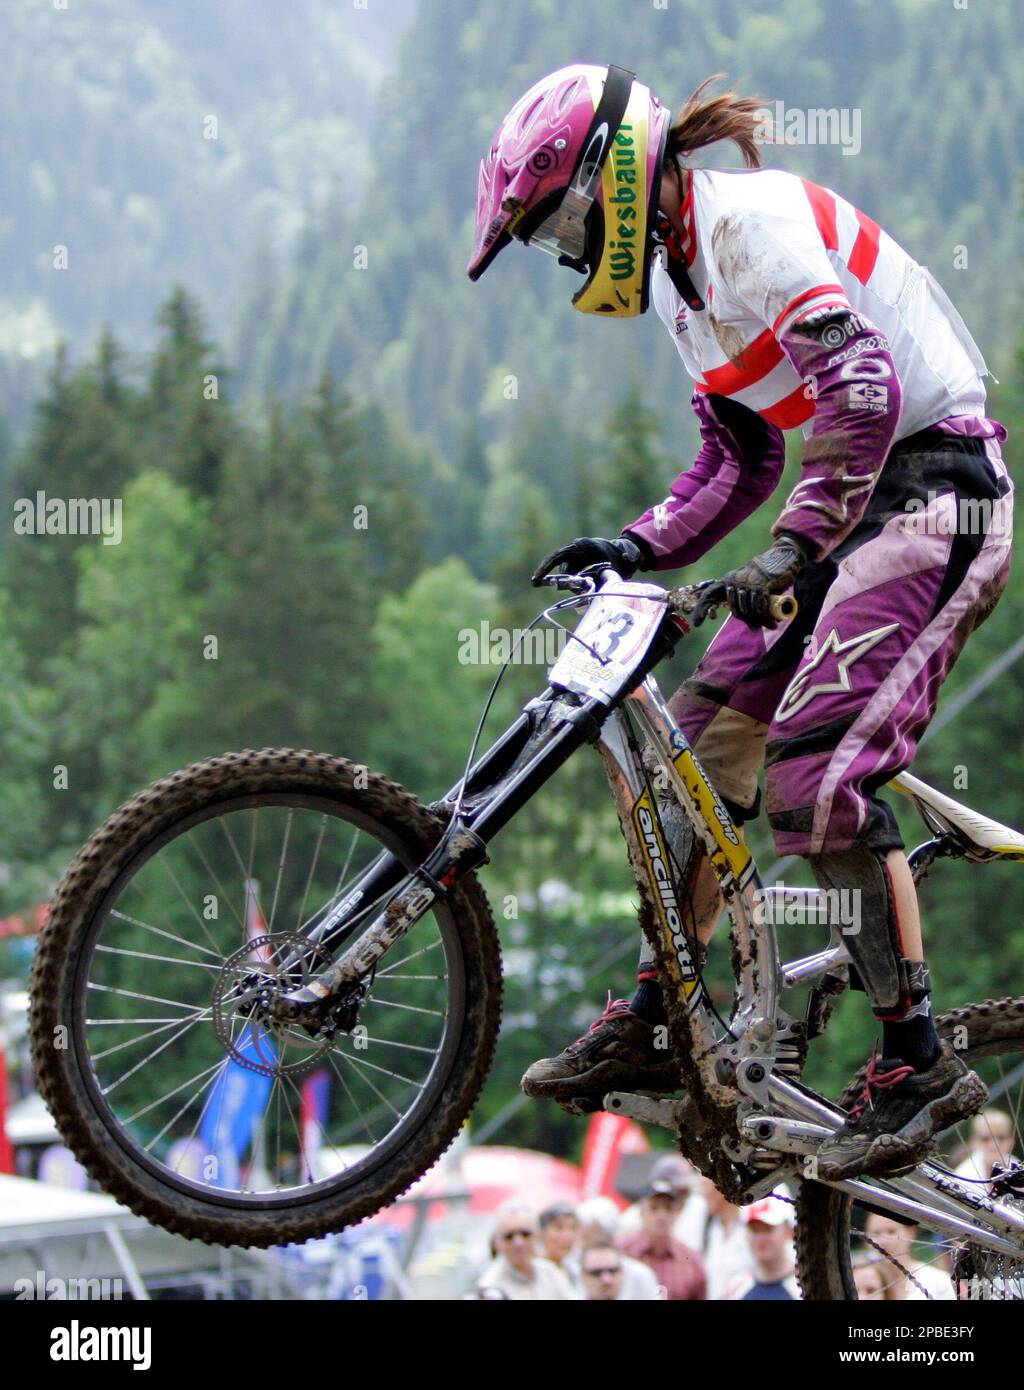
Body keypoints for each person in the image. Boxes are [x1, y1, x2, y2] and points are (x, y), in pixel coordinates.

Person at [467, 63, 1012, 1180]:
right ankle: (663, 1018)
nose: (568, 246)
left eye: (565, 216)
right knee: (698, 757)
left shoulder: (749, 229)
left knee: (813, 772)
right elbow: (738, 454)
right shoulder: (678, 283)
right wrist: (636, 544)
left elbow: (859, 393)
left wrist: (790, 549)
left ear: (618, 175)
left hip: (934, 490)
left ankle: (915, 1062)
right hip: (847, 508)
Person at [619, 1179, 706, 1299]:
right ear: (641, 1213)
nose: (661, 1215)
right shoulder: (622, 1252)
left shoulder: (691, 1260)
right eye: (654, 1208)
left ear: (677, 1213)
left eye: (668, 1208)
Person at [476, 1202, 578, 1300]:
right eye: (509, 1236)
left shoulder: (549, 1272)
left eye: (525, 1234)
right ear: (497, 1243)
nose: (518, 1243)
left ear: (538, 1236)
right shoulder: (490, 1287)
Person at [571, 1196, 662, 1299]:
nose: (606, 1279)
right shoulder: (570, 1271)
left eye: (613, 1271)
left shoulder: (641, 1275)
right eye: (596, 1273)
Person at [722, 1193, 800, 1300]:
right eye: (754, 1230)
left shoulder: (803, 1288)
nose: (761, 1239)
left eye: (768, 1229)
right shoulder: (735, 1289)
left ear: (789, 1231)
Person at [862, 1211, 954, 1300]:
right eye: (876, 1233)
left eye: (891, 1232)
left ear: (910, 1233)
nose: (884, 1241)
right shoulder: (860, 1283)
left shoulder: (938, 1280)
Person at [953, 1108, 1016, 1182]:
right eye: (985, 1139)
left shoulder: (1016, 1166)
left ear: (1011, 1141)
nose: (994, 1146)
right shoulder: (962, 1176)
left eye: (1001, 1138)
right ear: (973, 1142)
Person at [538, 1202, 581, 1282]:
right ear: (542, 1234)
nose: (567, 1236)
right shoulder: (535, 1272)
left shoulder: (575, 1271)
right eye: (559, 1228)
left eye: (572, 1228)